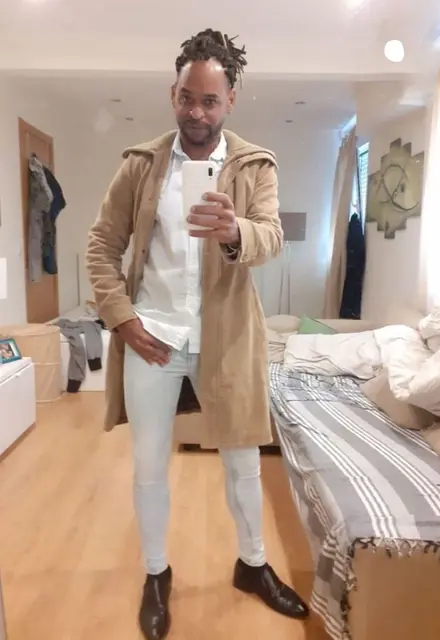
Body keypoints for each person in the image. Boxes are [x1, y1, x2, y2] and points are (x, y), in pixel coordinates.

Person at [86, 28, 309, 640]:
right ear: (173, 92)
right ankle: (156, 574)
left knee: (243, 462)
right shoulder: (140, 164)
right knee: (148, 465)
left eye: (210, 101)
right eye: (187, 98)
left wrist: (236, 232)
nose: (196, 113)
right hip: (151, 337)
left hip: (227, 337)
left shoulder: (256, 164)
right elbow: (102, 244)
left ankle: (252, 565)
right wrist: (121, 318)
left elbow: (271, 236)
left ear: (230, 99)